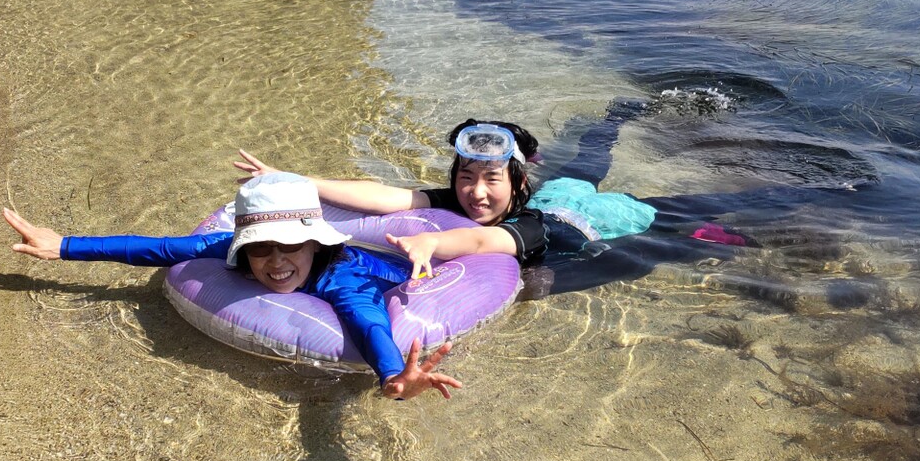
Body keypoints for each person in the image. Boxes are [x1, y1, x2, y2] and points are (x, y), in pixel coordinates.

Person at [1, 172, 461, 400]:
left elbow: (369, 322)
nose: (276, 261)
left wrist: (392, 376)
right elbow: (157, 249)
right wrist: (63, 245)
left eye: (290, 246)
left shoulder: (344, 281)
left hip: (400, 274)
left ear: (315, 244)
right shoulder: (227, 246)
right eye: (260, 248)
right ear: (243, 247)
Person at [235, 112, 761, 296]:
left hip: (604, 220)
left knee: (688, 228)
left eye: (491, 179)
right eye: (466, 178)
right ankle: (615, 116)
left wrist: (433, 240)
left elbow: (491, 239)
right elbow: (388, 196)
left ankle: (832, 198)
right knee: (589, 156)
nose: (476, 193)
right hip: (563, 197)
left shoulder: (524, 222)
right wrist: (295, 180)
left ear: (517, 179)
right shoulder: (464, 199)